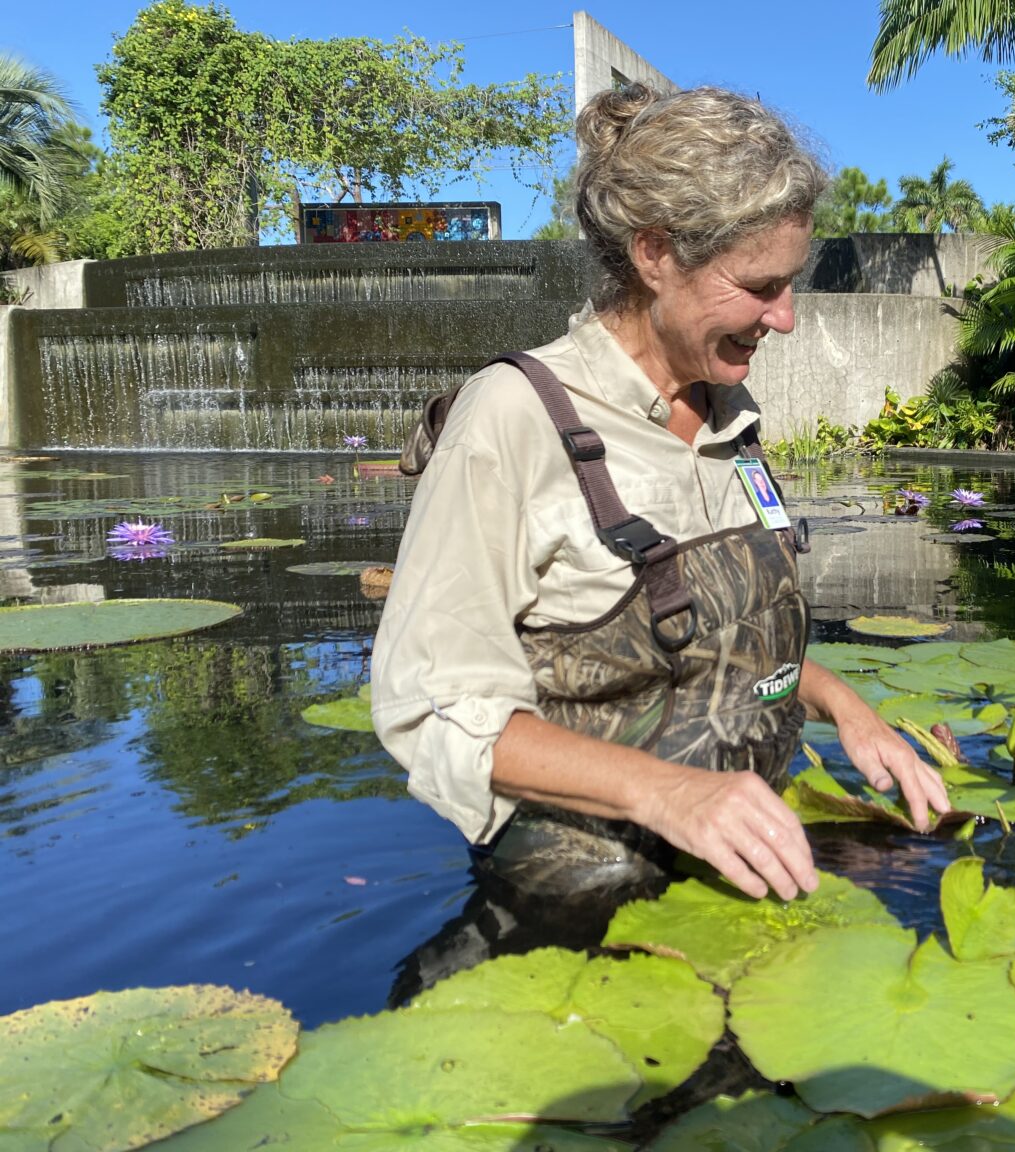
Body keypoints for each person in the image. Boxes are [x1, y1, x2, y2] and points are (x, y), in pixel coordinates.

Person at [372, 84, 949, 905]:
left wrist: (840, 701)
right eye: (759, 286)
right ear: (654, 255)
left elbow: (717, 653)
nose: (784, 318)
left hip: (740, 874)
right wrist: (669, 794)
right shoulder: (513, 418)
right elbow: (432, 711)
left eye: (792, 283)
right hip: (577, 910)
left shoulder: (731, 416)